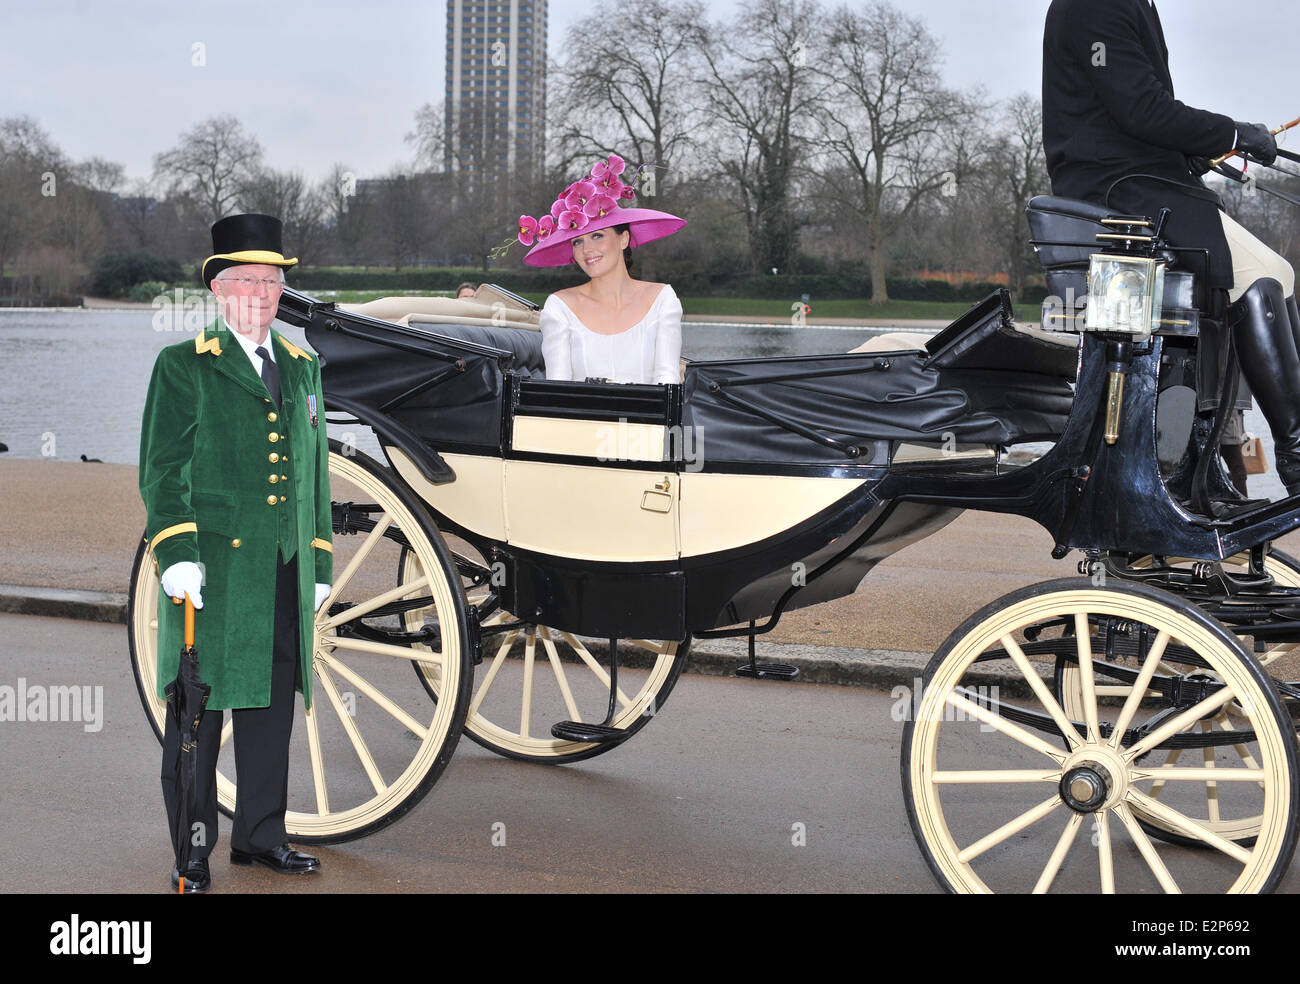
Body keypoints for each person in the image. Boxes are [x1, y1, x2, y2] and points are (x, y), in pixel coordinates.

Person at [139, 212, 333, 893]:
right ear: (218, 289)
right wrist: (176, 552)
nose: (262, 293)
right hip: (215, 569)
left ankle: (261, 835)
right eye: (247, 280)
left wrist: (318, 563)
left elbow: (315, 477)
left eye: (273, 281)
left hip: (281, 570)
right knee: (198, 711)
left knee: (271, 709)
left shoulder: (303, 368)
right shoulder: (184, 365)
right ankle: (193, 849)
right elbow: (163, 472)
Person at [1042, 0, 1300, 494]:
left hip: (1136, 180)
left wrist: (1191, 152)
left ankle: (1228, 459)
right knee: (1265, 275)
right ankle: (1294, 457)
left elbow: (1125, 113)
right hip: (1120, 188)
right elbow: (1142, 109)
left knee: (1275, 273)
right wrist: (1234, 132)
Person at [513, 154, 687, 384]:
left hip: (652, 409)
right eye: (577, 241)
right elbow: (558, 388)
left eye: (597, 236)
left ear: (624, 239)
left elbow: (667, 383)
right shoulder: (559, 307)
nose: (587, 249)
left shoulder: (662, 300)